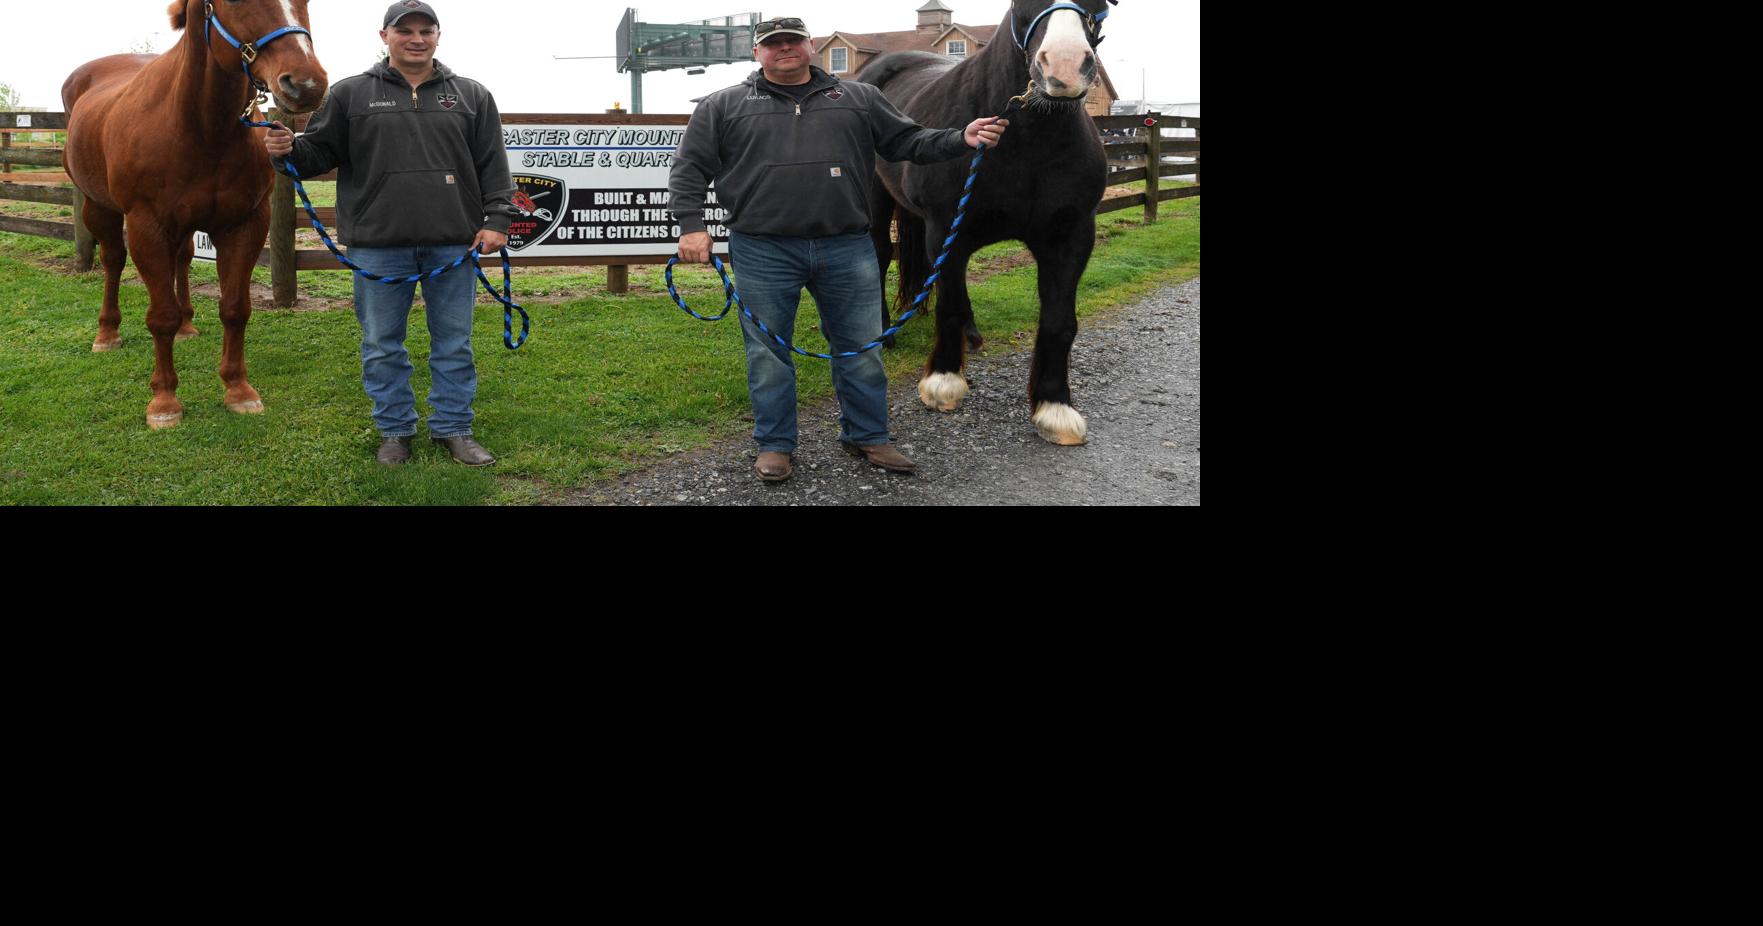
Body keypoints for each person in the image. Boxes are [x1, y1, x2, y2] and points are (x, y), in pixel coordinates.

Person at [669, 16, 1007, 483]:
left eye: (793, 41)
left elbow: (908, 140)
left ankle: (867, 435)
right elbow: (689, 168)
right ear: (757, 52)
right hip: (763, 249)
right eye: (773, 43)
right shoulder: (722, 106)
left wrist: (959, 138)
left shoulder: (858, 98)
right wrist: (691, 226)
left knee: (861, 350)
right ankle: (775, 444)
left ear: (810, 46)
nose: (784, 48)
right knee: (768, 354)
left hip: (846, 246)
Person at [266, 1, 516, 466]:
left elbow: (493, 166)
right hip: (378, 245)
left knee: (454, 343)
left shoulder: (472, 95)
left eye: (426, 30)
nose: (416, 39)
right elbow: (316, 155)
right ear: (385, 36)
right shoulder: (350, 94)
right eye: (405, 31)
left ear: (438, 36)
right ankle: (395, 431)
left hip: (453, 242)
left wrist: (497, 220)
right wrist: (287, 151)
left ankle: (454, 428)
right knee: (382, 346)